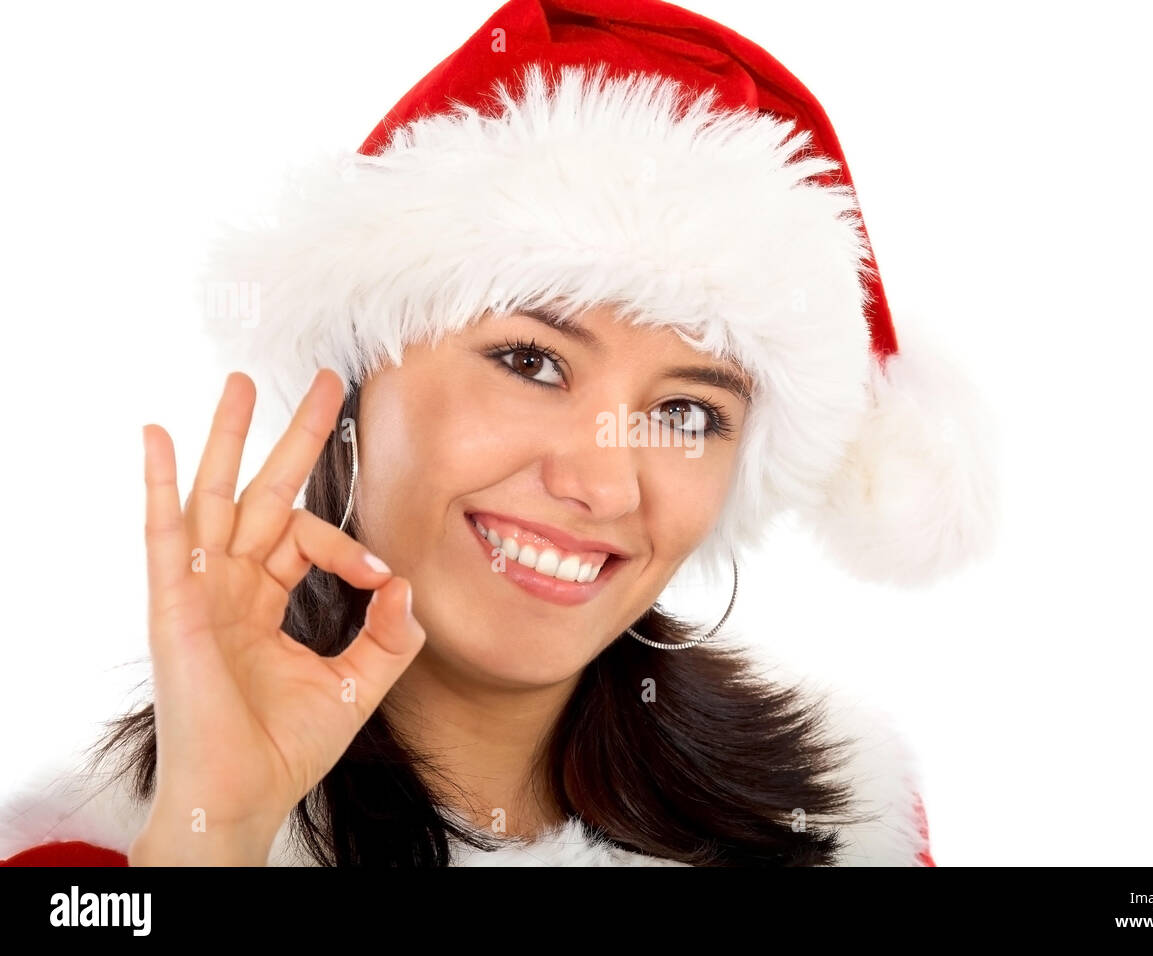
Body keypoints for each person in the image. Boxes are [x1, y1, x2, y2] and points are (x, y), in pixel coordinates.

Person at [0, 0, 997, 867]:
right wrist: (211, 827)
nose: (601, 481)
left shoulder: (844, 821)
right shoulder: (96, 853)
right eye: (530, 361)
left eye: (688, 411)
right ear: (353, 377)